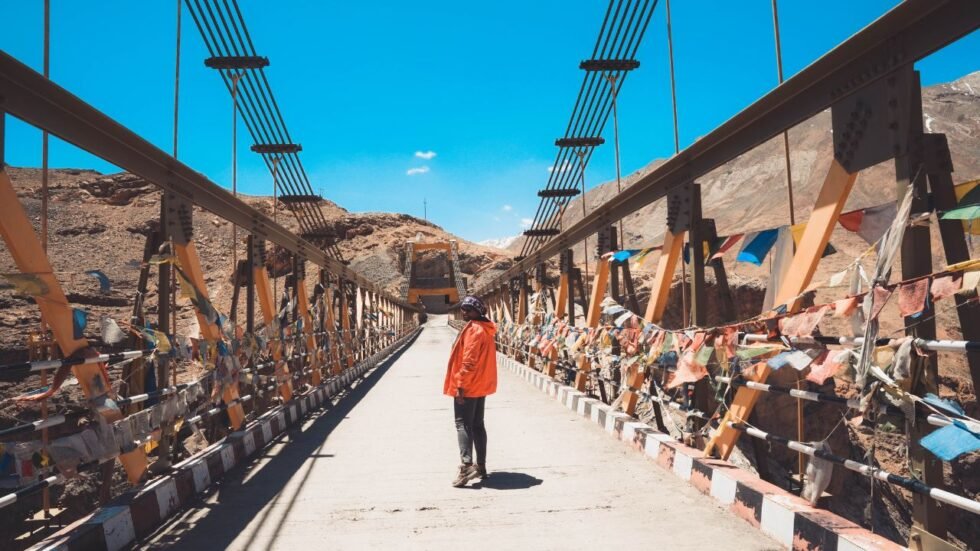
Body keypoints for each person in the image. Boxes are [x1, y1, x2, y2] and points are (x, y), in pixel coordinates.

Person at [444, 295, 497, 487]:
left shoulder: (475, 331)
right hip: (480, 385)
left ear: (478, 311)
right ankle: (481, 466)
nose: (463, 312)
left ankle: (466, 466)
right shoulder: (485, 329)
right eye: (463, 308)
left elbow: (468, 362)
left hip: (469, 385)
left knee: (462, 424)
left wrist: (460, 386)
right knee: (477, 425)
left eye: (468, 309)